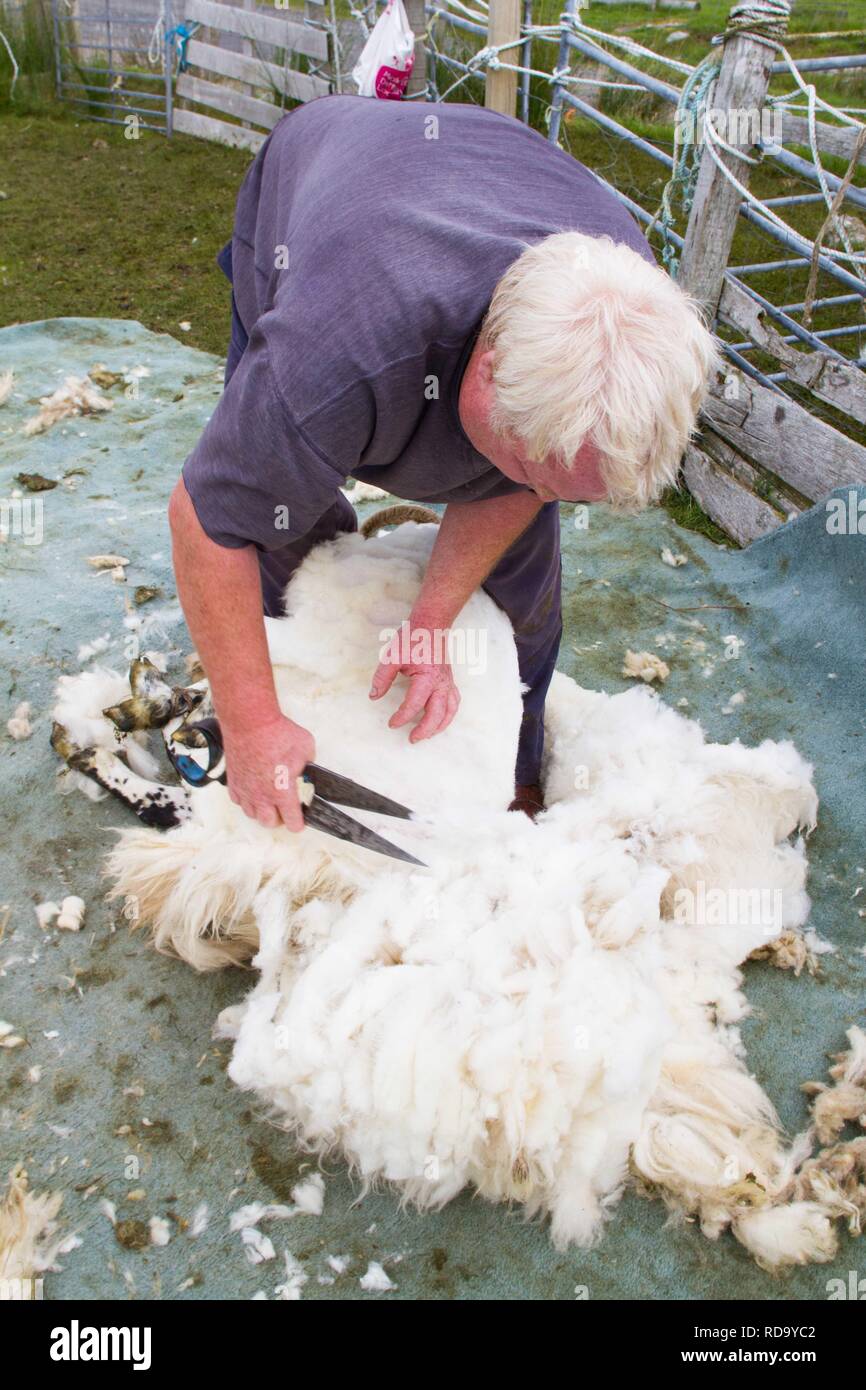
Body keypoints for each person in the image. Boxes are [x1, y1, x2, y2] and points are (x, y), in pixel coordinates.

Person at [169, 94, 717, 830]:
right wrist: (250, 717)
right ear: (488, 368)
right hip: (320, 184)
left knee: (522, 580)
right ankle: (288, 735)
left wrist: (430, 621)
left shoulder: (627, 314)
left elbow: (528, 478)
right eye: (535, 473)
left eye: (567, 490)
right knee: (275, 525)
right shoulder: (332, 354)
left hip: (473, 178)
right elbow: (207, 525)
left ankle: (515, 783)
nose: (541, 494)